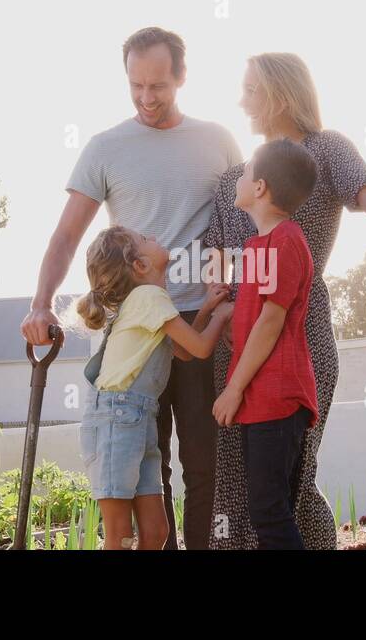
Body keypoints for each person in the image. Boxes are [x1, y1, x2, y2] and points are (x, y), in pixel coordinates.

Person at [201, 52, 366, 549]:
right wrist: (215, 307)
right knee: (235, 482)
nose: (241, 102)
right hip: (237, 337)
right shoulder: (235, 178)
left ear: (279, 93)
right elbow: (216, 262)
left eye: (250, 90)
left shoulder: (326, 149)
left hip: (300, 331)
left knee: (293, 475)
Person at [21, 27, 242, 549]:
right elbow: (67, 234)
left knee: (205, 461)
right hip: (133, 334)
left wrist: (237, 296)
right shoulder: (106, 147)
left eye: (159, 86)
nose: (147, 98)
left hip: (195, 320)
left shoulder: (218, 140)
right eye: (136, 86)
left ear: (182, 77)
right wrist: (39, 303)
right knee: (149, 465)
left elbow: (241, 226)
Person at [75, 225, 233, 550]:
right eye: (145, 240)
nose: (154, 237)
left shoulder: (148, 302)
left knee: (157, 531)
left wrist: (203, 311)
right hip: (116, 419)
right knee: (119, 535)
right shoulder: (149, 297)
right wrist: (220, 316)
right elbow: (202, 349)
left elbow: (185, 351)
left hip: (138, 418)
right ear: (140, 266)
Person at [210, 139, 320, 549]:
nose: (236, 179)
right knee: (268, 509)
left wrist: (233, 388)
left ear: (259, 188)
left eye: (243, 173)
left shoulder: (286, 240)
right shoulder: (258, 246)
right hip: (262, 399)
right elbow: (255, 316)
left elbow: (271, 322)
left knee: (269, 511)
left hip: (276, 396)